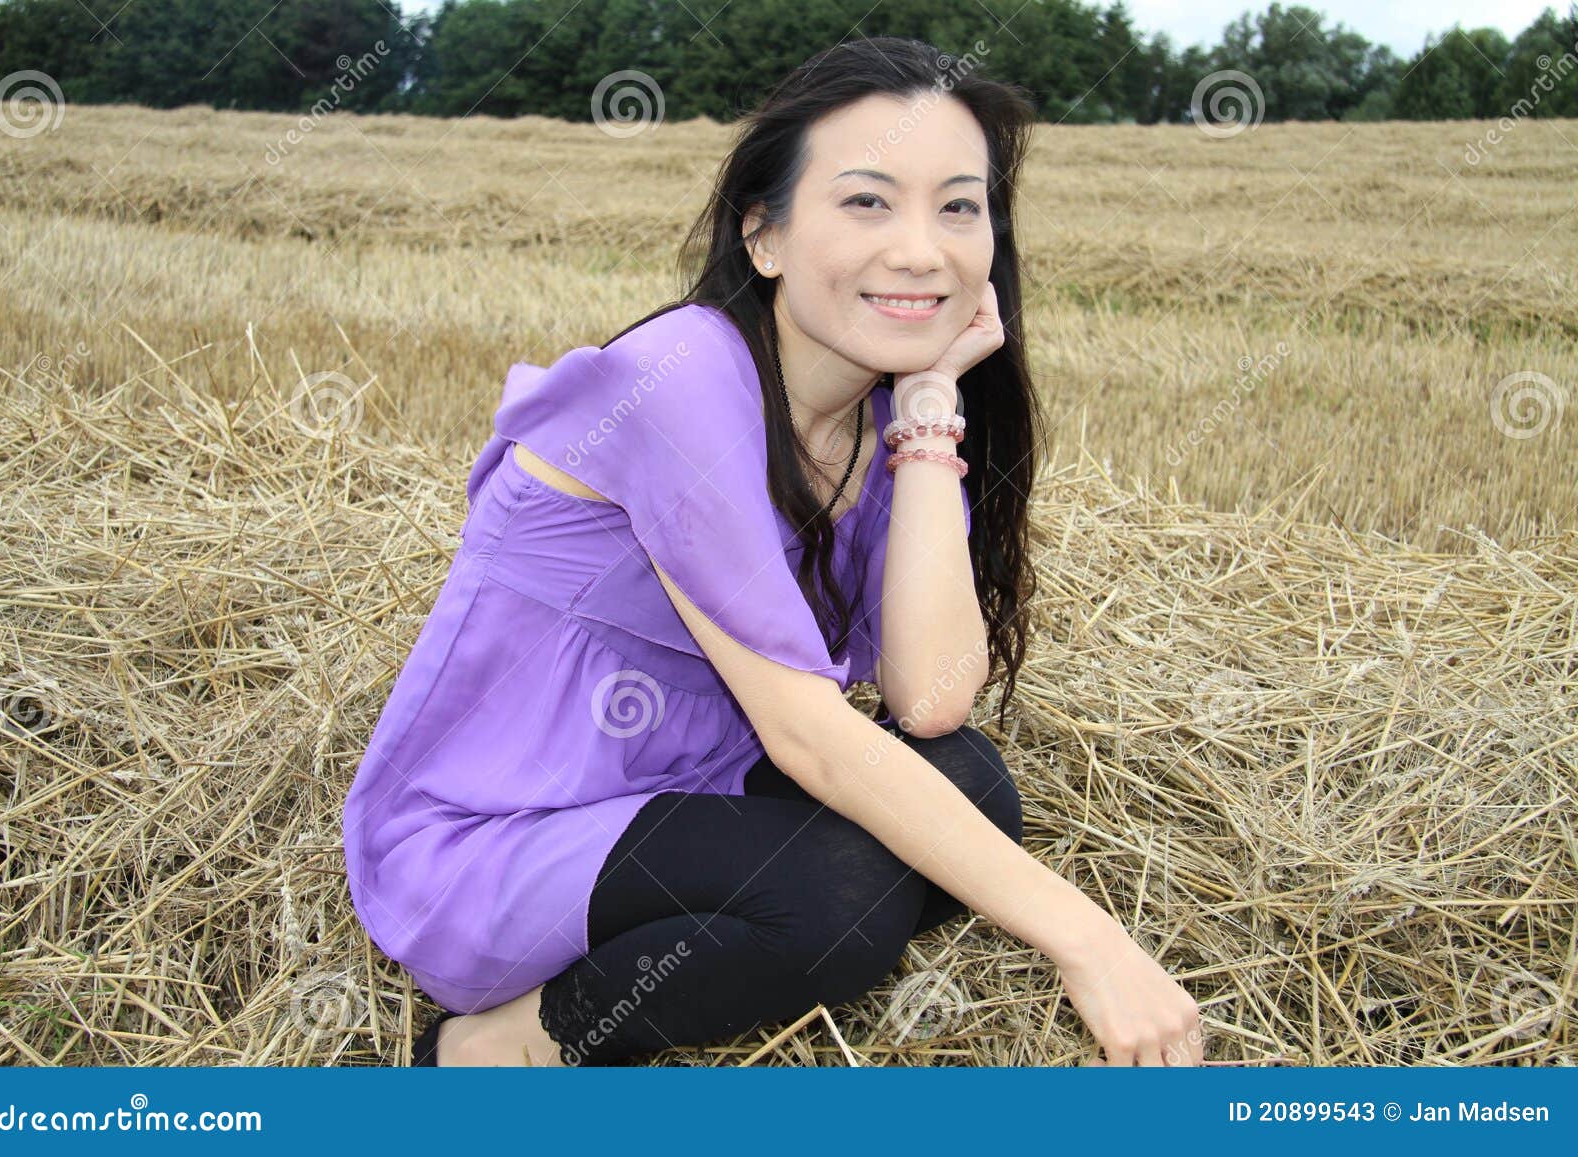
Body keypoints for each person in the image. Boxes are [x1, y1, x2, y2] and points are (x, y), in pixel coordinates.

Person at [341, 35, 1203, 1068]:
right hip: (498, 831)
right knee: (831, 895)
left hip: (684, 784)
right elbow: (811, 738)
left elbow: (929, 699)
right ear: (764, 235)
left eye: (958, 205)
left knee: (968, 784)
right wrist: (1088, 937)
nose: (922, 249)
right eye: (867, 201)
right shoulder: (679, 379)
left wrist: (928, 417)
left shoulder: (870, 420)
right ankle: (494, 1047)